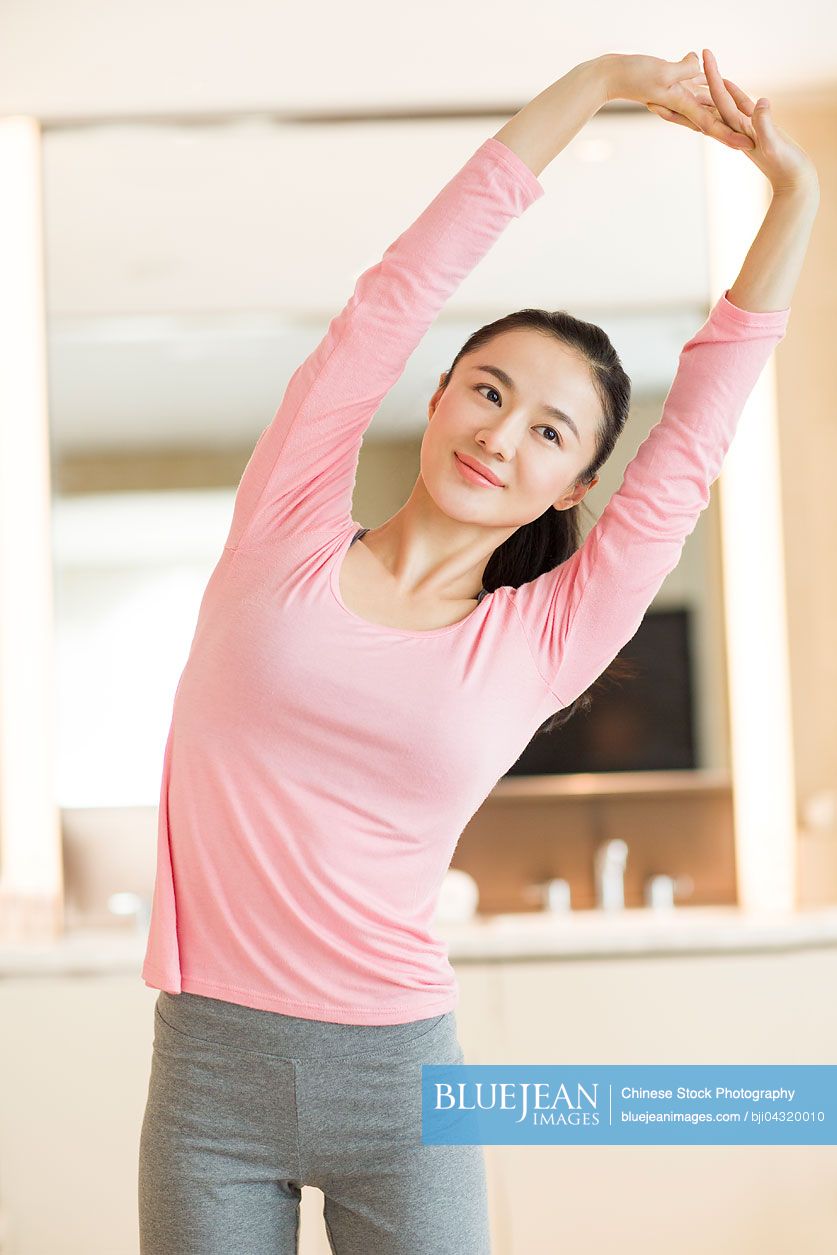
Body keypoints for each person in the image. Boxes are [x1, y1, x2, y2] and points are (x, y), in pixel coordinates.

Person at [138, 48, 818, 1255]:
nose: (504, 436)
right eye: (490, 391)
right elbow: (398, 291)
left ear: (576, 481)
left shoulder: (545, 634)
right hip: (211, 1082)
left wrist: (794, 196)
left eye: (549, 429)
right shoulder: (283, 523)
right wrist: (601, 79)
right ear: (442, 390)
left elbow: (701, 426)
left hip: (402, 1091)